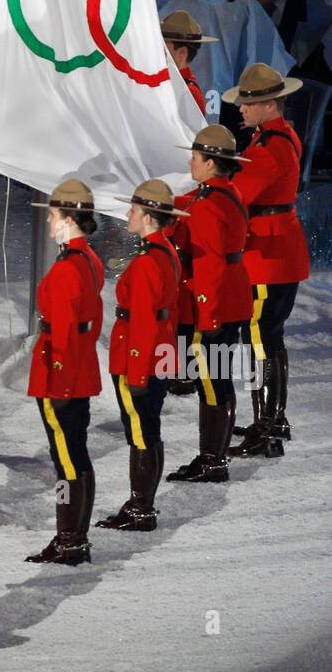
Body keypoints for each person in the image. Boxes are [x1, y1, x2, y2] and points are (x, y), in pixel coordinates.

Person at [225, 64, 310, 458]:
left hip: (267, 255)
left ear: (270, 105)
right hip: (275, 250)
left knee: (260, 339)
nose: (241, 108)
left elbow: (236, 195)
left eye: (249, 102)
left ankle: (268, 427)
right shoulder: (276, 137)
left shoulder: (269, 147)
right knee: (267, 337)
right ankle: (272, 420)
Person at [96, 178, 184, 533]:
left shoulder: (149, 262)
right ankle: (141, 504)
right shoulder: (164, 252)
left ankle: (141, 508)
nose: (128, 214)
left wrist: (136, 373)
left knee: (142, 433)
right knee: (149, 430)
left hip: (140, 356)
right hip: (157, 352)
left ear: (148, 217)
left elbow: (144, 323)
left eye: (133, 209)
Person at [24, 179, 104, 567]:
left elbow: (66, 333)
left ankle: (69, 539)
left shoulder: (67, 269)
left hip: (62, 375)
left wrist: (61, 381)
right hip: (79, 368)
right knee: (76, 457)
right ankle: (75, 537)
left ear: (70, 218)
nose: (50, 222)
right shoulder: (86, 258)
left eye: (54, 215)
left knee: (66, 462)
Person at [166, 125, 252, 483]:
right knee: (216, 380)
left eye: (196, 158)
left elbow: (211, 267)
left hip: (215, 304)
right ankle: (213, 456)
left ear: (211, 164)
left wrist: (208, 314)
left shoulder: (207, 208)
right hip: (232, 297)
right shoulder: (222, 194)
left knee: (213, 382)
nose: (191, 162)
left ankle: (212, 460)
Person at [158, 0, 294, 108]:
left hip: (230, 96)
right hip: (188, 91)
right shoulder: (179, 5)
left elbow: (265, 49)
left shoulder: (245, 6)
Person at [160, 8, 217, 115]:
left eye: (164, 47)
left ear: (182, 53)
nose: (158, 51)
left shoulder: (189, 93)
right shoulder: (173, 84)